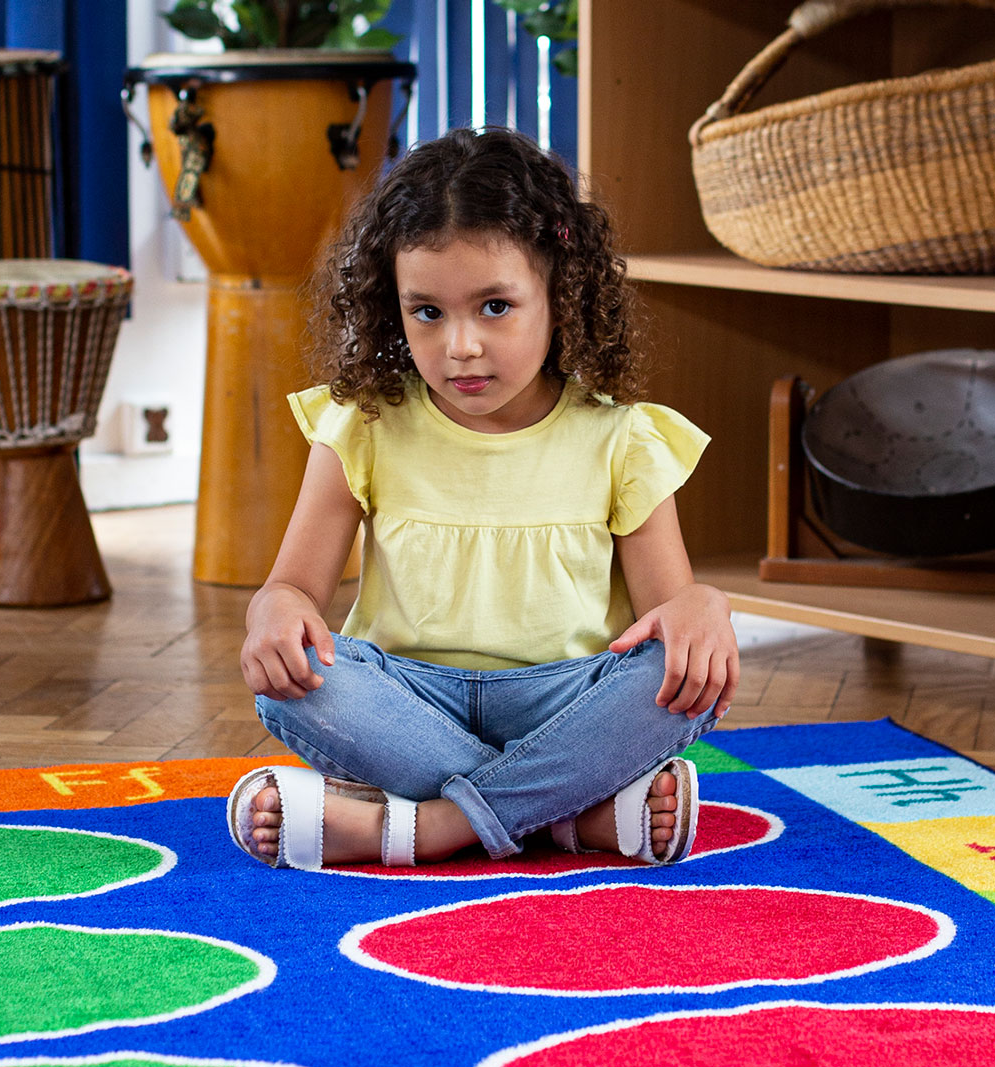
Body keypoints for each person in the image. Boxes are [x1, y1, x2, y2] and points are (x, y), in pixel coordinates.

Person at [227, 127, 738, 870]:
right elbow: (292, 590)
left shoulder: (623, 438)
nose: (459, 345)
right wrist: (271, 610)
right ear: (393, 307)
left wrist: (702, 607)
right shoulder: (363, 422)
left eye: (494, 307)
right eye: (427, 312)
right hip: (409, 700)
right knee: (292, 688)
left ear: (560, 294)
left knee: (683, 677)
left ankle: (422, 829)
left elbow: (670, 624)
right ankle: (567, 817)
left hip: (568, 699)